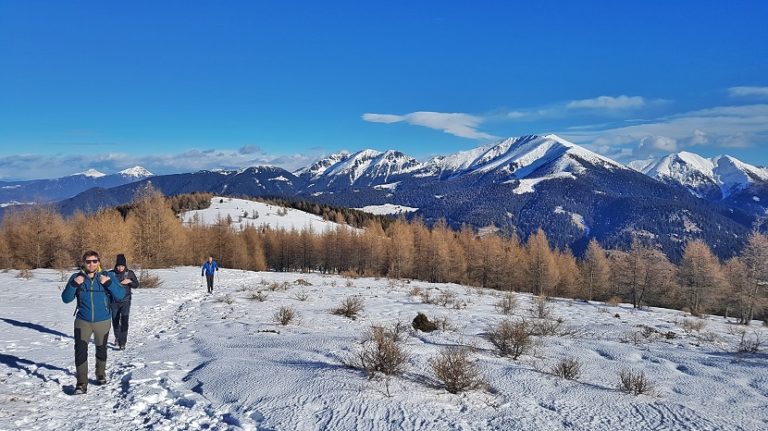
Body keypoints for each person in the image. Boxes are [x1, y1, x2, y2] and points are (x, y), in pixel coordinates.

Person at [61, 250, 125, 395]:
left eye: (94, 261)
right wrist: (73, 285)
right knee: (80, 351)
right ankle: (81, 383)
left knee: (101, 349)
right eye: (88, 261)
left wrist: (108, 284)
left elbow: (120, 295)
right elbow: (66, 299)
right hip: (82, 321)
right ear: (83, 263)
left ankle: (100, 375)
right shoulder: (76, 277)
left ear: (99, 262)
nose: (91, 264)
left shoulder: (108, 276)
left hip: (103, 321)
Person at [108, 254, 139, 350]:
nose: (120, 268)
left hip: (126, 301)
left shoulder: (129, 273)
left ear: (125, 265)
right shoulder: (111, 273)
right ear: (116, 266)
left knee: (124, 320)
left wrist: (129, 282)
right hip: (113, 301)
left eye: (122, 266)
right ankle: (117, 337)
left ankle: (123, 342)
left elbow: (136, 285)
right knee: (115, 320)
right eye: (118, 266)